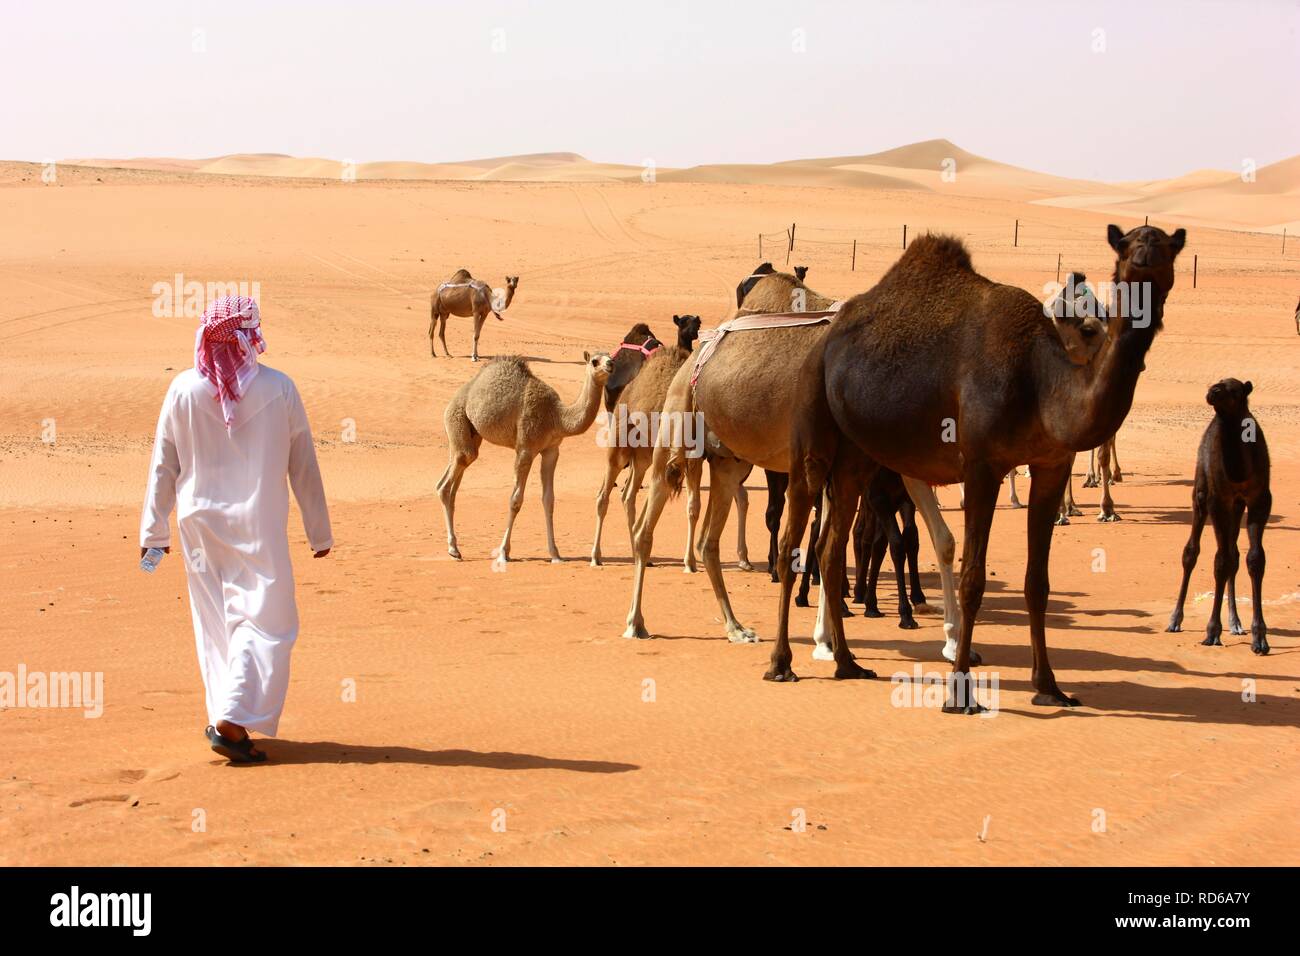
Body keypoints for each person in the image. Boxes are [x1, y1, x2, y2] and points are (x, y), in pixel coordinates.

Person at [140, 295, 332, 763]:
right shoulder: (278, 388)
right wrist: (318, 532)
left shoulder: (182, 390)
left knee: (217, 623)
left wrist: (154, 532)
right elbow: (302, 461)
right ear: (248, 335)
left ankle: (229, 717)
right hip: (257, 524)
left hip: (198, 526)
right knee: (267, 620)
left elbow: (164, 464)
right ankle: (230, 721)